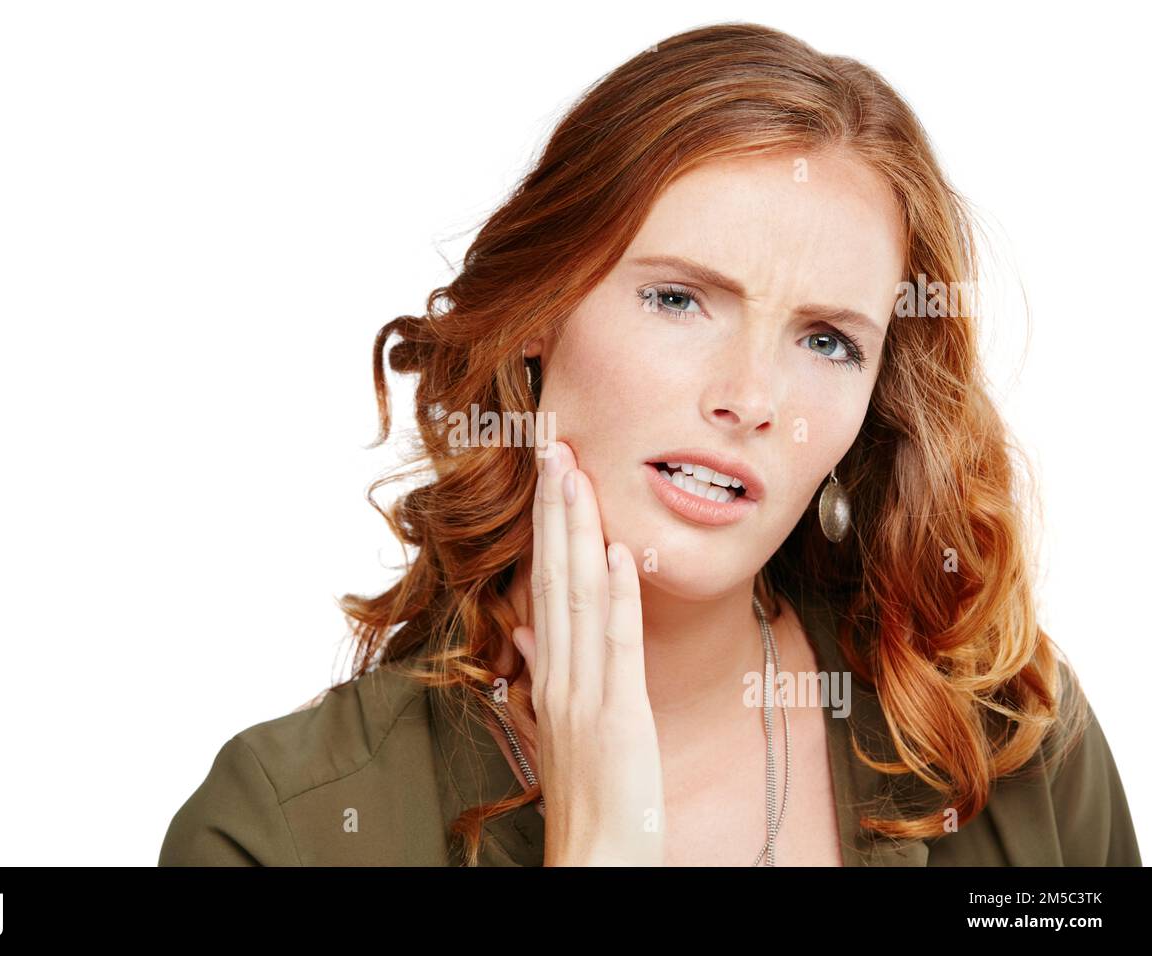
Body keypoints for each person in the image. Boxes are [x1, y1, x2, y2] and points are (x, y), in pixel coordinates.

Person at [158, 21, 1141, 866]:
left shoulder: (1013, 739)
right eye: (678, 298)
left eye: (827, 339)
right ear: (539, 310)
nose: (752, 397)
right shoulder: (278, 830)